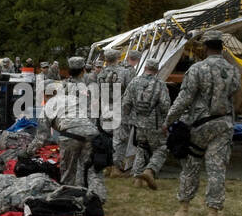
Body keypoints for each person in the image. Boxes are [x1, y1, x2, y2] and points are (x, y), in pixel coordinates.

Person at [164, 30, 240, 216]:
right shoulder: (233, 70)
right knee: (217, 169)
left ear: (205, 47)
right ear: (222, 47)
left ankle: (183, 209)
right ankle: (213, 213)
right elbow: (235, 96)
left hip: (199, 125)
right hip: (223, 124)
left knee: (191, 166)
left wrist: (169, 120)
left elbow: (184, 98)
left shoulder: (197, 69)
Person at [18, 56, 108, 201]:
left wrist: (27, 152)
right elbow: (91, 112)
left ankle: (70, 201)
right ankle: (98, 198)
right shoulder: (75, 97)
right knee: (90, 169)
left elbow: (42, 137)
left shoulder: (49, 106)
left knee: (68, 173)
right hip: (91, 132)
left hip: (70, 135)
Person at [123, 57, 171, 190]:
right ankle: (150, 171)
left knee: (141, 147)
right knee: (161, 148)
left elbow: (126, 103)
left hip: (138, 122)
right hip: (155, 123)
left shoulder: (134, 82)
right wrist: (166, 120)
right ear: (157, 70)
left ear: (145, 68)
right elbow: (165, 105)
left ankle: (137, 179)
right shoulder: (160, 84)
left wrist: (131, 118)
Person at [97, 49, 136, 177]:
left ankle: (107, 166)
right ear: (117, 58)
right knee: (119, 139)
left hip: (105, 108)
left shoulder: (100, 73)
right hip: (120, 108)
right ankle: (116, 167)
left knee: (107, 138)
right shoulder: (124, 72)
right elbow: (131, 90)